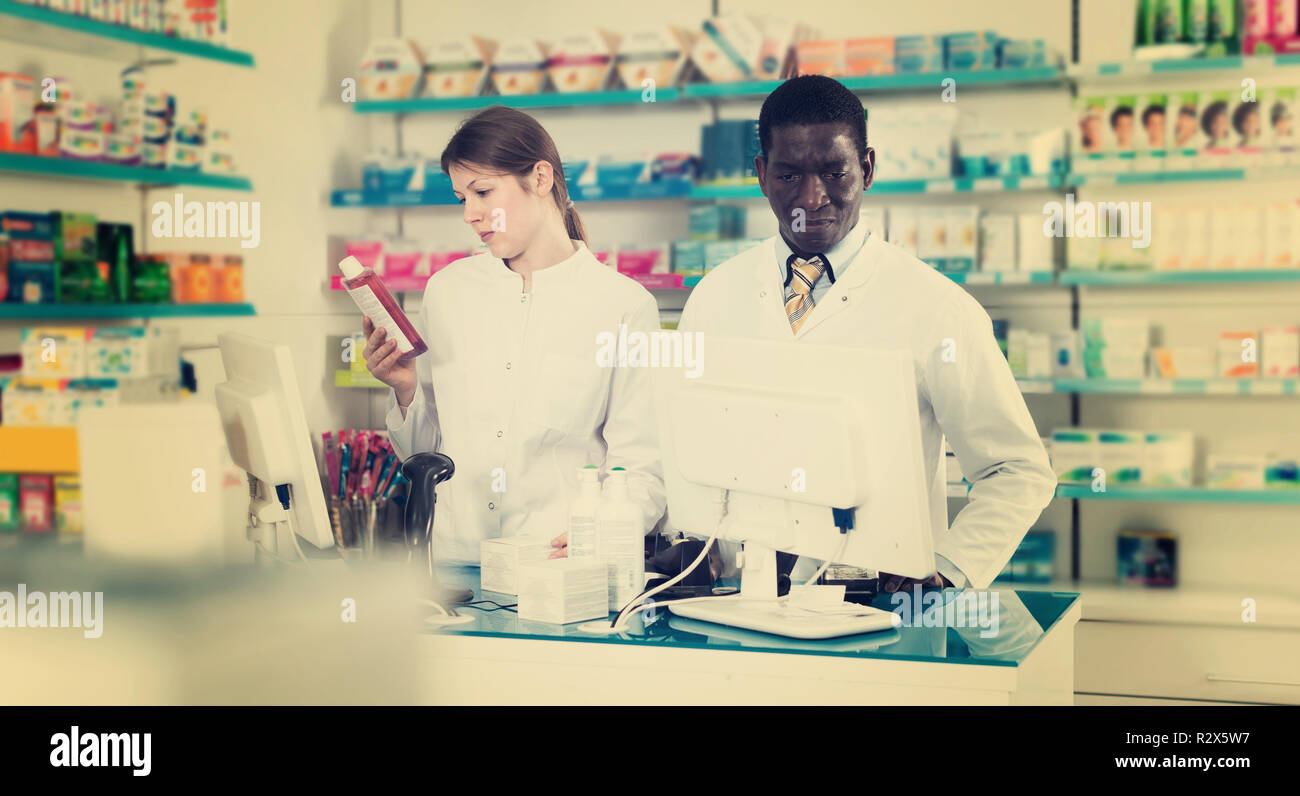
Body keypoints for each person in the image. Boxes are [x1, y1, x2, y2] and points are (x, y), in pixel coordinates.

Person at [678, 75, 1056, 592]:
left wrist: (947, 568)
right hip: (734, 605)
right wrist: (694, 544)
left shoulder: (937, 308)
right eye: (789, 175)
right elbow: (691, 447)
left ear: (868, 168)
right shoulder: (714, 297)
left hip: (876, 616)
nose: (811, 199)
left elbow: (1017, 470)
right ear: (762, 175)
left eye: (834, 172)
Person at [362, 105, 666, 563]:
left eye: (482, 191)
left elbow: (644, 468)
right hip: (455, 564)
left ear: (541, 179)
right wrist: (405, 391)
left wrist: (605, 528)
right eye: (462, 198)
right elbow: (422, 458)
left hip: (560, 567)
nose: (470, 214)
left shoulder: (623, 305)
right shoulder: (447, 292)